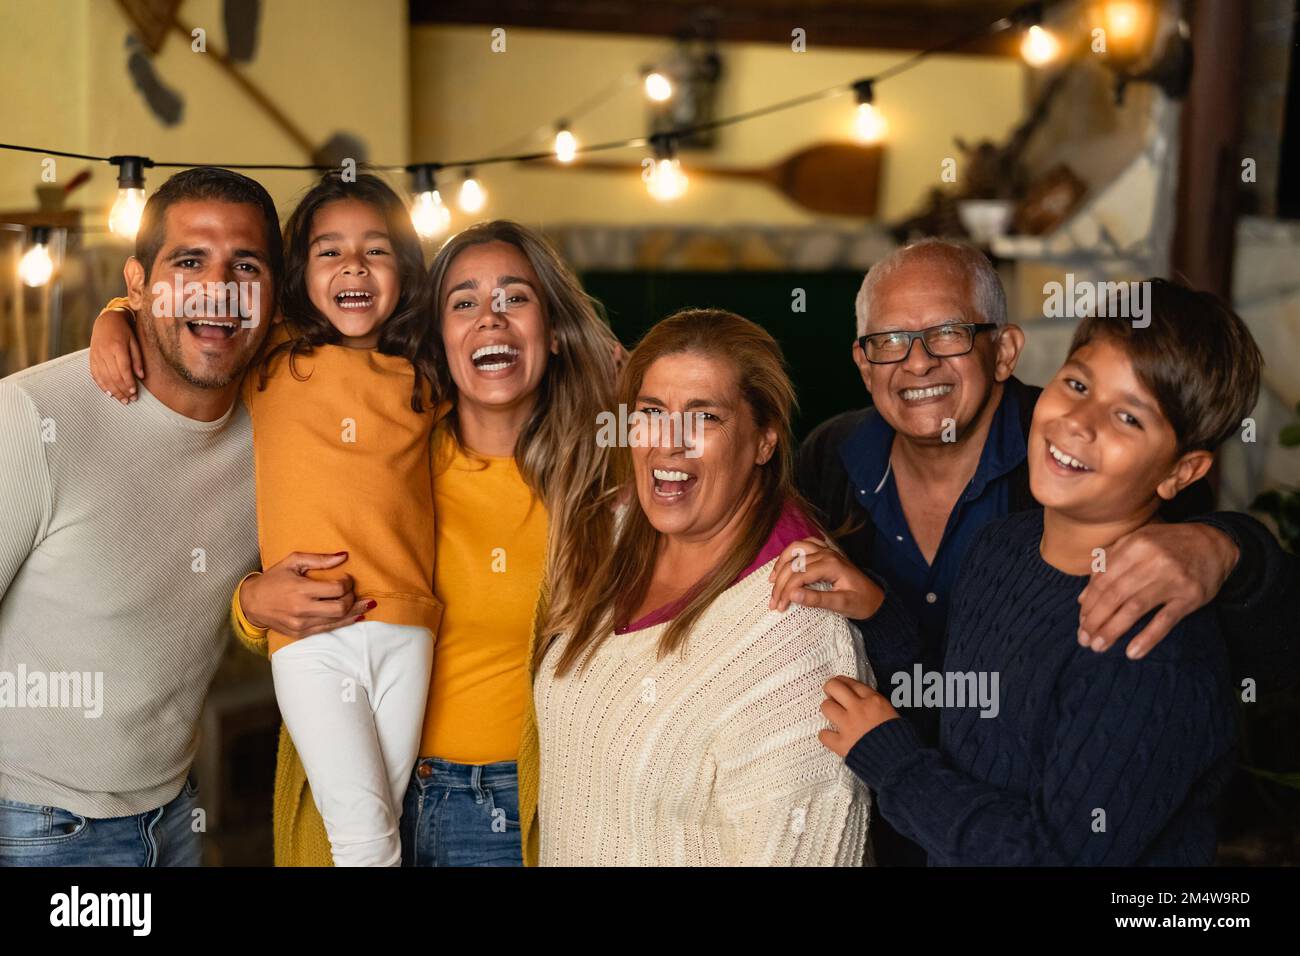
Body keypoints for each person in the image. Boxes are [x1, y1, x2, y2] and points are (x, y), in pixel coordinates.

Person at [776, 239, 1298, 863]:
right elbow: (968, 701)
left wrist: (891, 760)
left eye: (1129, 418)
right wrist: (878, 610)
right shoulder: (1003, 547)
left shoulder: (1145, 637)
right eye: (1076, 384)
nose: (1080, 422)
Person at [234, 220, 620, 866]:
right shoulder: (385, 452)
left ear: (553, 331)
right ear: (437, 338)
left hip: (527, 804)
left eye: (515, 298)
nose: (490, 320)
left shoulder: (602, 477)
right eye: (463, 303)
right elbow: (284, 581)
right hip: (380, 796)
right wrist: (250, 603)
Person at [91, 170, 443, 866]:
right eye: (329, 251)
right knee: (364, 839)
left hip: (411, 628)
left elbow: (516, 383)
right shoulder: (275, 355)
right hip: (312, 637)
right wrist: (113, 318)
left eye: (376, 251)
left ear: (404, 271)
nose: (353, 267)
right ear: (297, 276)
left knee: (382, 826)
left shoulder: (427, 373)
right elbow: (180, 310)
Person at [0, 167, 279, 865]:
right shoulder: (30, 417)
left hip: (175, 819)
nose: (219, 287)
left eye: (245, 266)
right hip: (31, 825)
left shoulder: (283, 426)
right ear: (135, 282)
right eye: (189, 261)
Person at [536, 309, 871, 866]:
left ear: (764, 439)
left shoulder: (795, 632)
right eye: (651, 413)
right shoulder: (617, 538)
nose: (669, 444)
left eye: (704, 417)